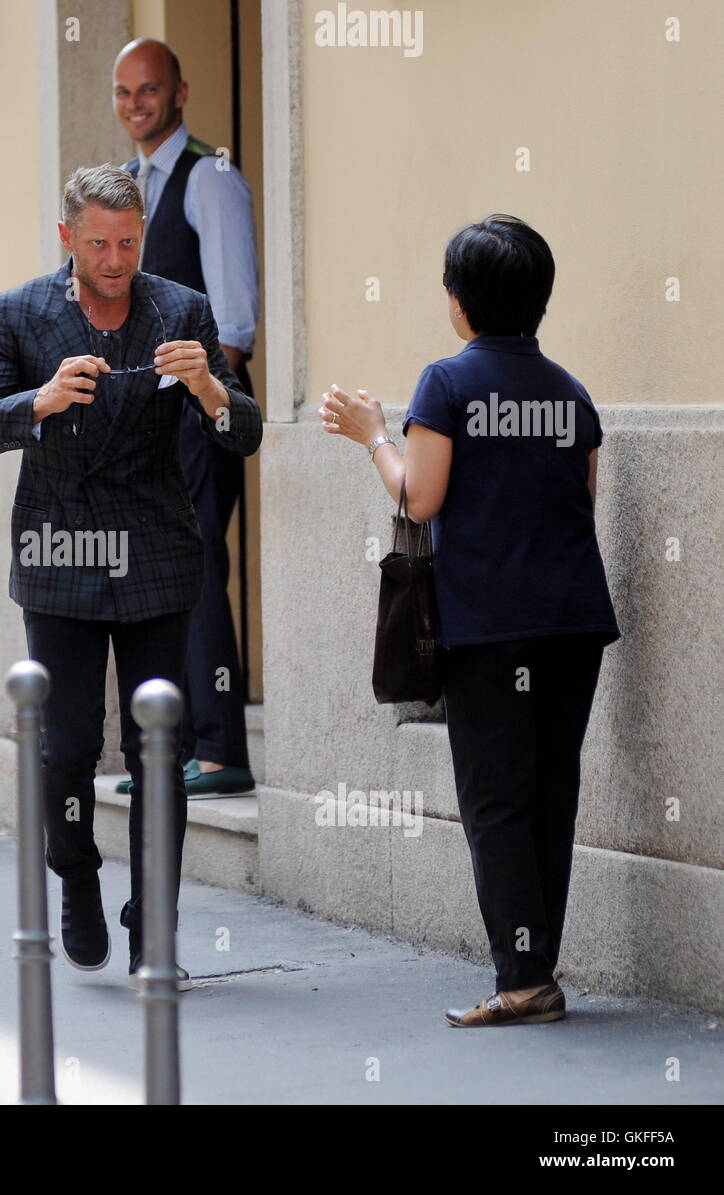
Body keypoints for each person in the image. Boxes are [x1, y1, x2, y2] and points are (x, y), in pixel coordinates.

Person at [0, 165, 262, 988]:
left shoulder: (182, 309)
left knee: (161, 748)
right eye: (98, 244)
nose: (115, 260)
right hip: (61, 556)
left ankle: (155, 927)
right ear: (68, 238)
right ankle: (77, 872)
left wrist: (207, 386)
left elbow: (243, 433)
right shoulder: (18, 313)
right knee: (67, 748)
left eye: (127, 242)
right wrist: (40, 401)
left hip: (155, 553)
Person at [320, 214, 619, 1026]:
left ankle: (524, 980)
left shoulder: (447, 384)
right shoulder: (571, 392)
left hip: (489, 625)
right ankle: (534, 968)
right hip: (574, 620)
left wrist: (373, 436)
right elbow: (581, 500)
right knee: (550, 791)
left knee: (495, 799)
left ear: (461, 301)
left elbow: (418, 496)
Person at [113, 36, 259, 798]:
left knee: (196, 565)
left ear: (180, 92)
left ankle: (221, 747)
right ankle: (170, 749)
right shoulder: (130, 184)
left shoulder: (211, 176)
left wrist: (202, 399)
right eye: (124, 91)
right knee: (159, 573)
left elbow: (232, 327)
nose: (136, 103)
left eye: (150, 88)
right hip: (149, 413)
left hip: (203, 404)